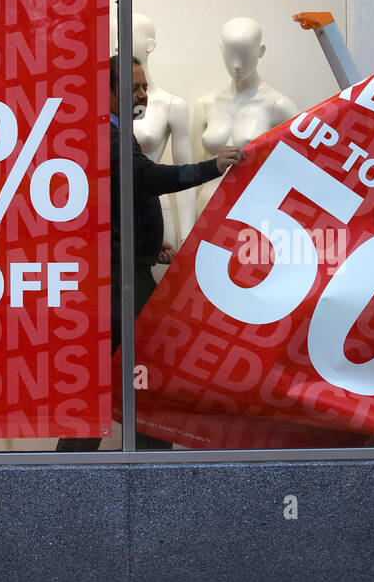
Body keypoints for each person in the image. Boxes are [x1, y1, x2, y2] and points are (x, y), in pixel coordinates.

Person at [56, 55, 244, 451]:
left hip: (120, 270)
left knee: (107, 384)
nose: (144, 93)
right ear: (108, 93)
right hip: (118, 280)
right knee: (148, 370)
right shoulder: (110, 137)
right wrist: (213, 166)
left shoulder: (110, 133)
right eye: (135, 87)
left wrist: (145, 244)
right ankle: (146, 470)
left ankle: (79, 474)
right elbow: (148, 178)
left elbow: (113, 200)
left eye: (145, 85)